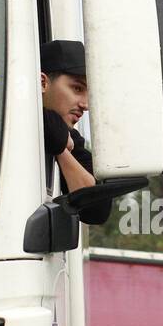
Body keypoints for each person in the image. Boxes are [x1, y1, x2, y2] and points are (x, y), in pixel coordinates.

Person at [41, 39, 112, 225]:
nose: (85, 105)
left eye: (89, 94)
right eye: (77, 88)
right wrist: (53, 131)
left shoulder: (70, 139)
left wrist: (62, 151)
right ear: (42, 83)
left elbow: (96, 208)